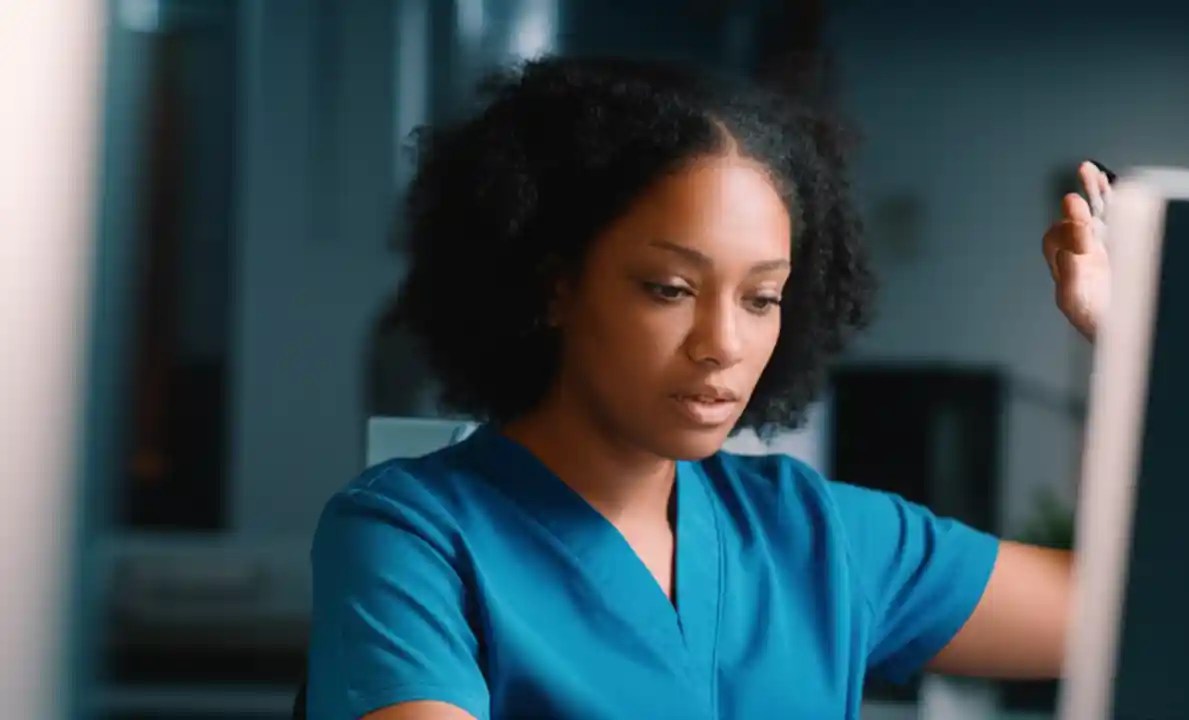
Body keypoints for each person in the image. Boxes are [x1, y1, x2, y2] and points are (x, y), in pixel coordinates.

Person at [306, 55, 1112, 719]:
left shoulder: (815, 535)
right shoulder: (411, 537)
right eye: (670, 288)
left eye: (762, 298)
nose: (723, 344)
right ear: (553, 285)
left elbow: (1147, 601)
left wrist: (1121, 340)